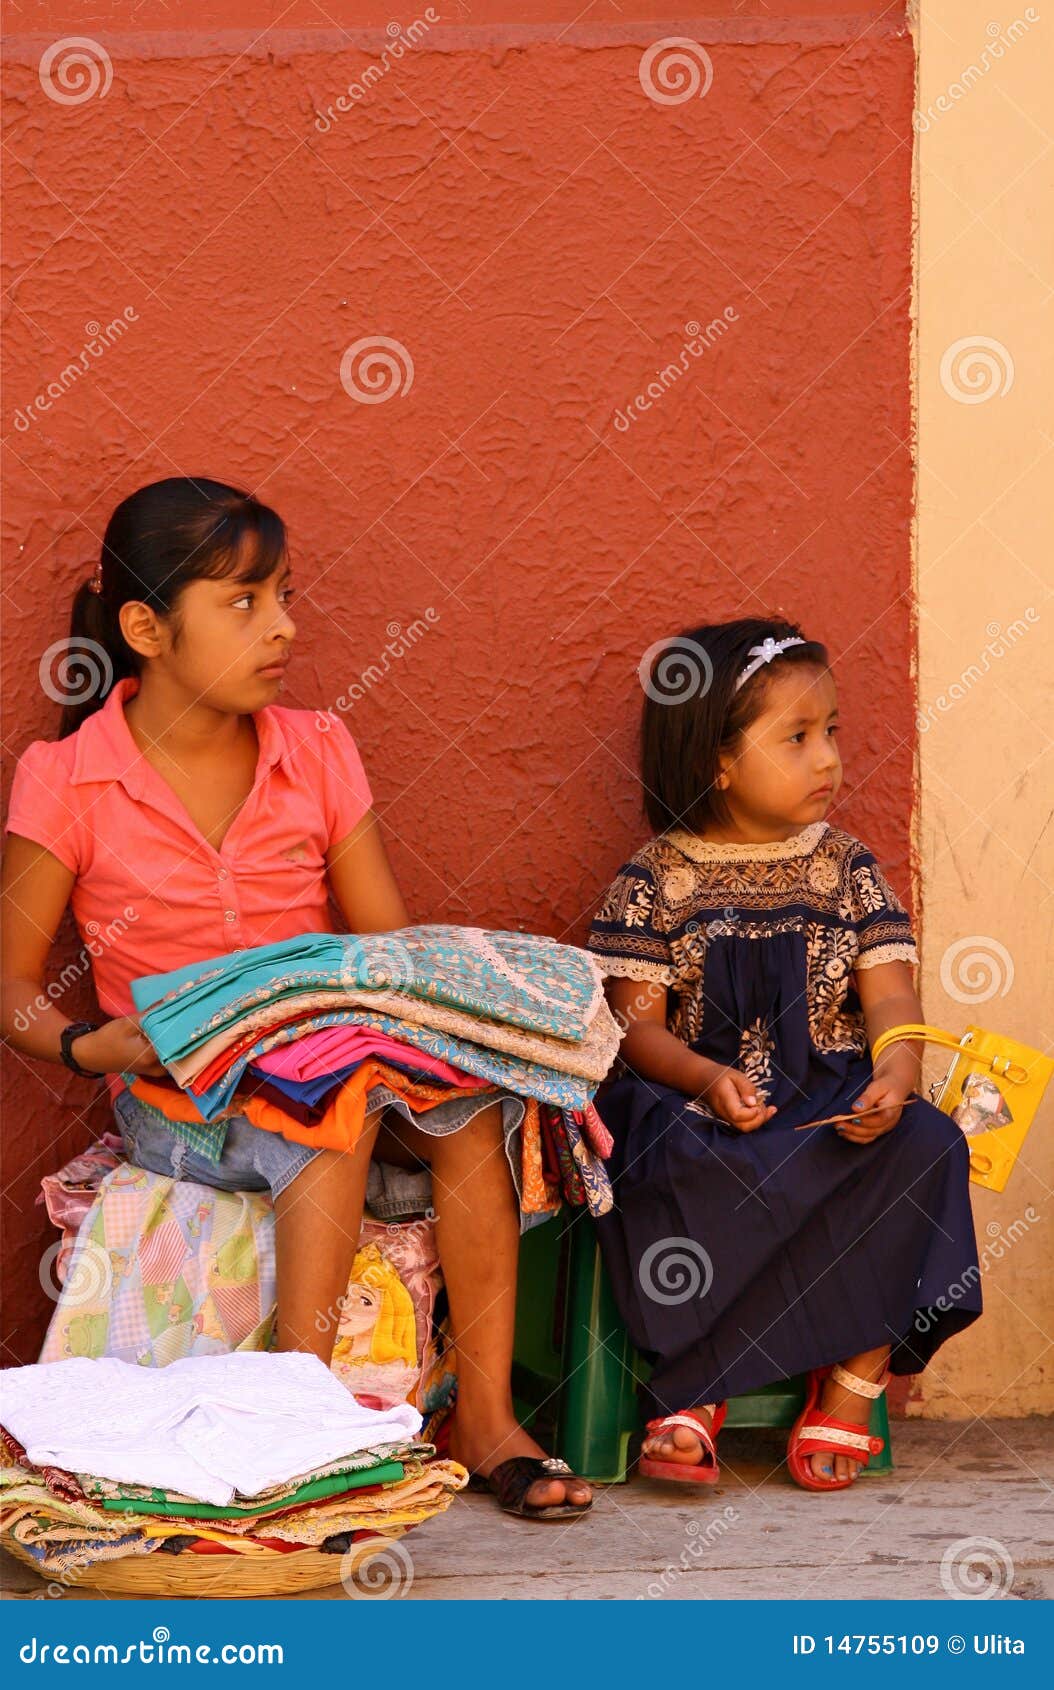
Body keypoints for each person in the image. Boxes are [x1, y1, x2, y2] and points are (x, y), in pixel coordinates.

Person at [2, 475, 591, 1522]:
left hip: (329, 1061)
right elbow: (9, 984)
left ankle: (491, 1418)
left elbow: (385, 951)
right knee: (337, 1109)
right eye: (244, 602)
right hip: (173, 1097)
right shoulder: (68, 777)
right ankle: (294, 1420)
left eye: (283, 595)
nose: (284, 626)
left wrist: (458, 1021)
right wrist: (94, 1045)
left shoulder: (315, 752)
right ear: (146, 628)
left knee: (470, 1111)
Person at [586, 617, 981, 1491]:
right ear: (716, 763)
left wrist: (897, 1074)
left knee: (927, 1145)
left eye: (832, 731)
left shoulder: (847, 869)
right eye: (797, 738)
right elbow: (639, 1029)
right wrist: (707, 1077)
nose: (829, 758)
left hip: (828, 1099)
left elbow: (890, 995)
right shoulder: (654, 881)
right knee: (649, 1148)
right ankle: (697, 1383)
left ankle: (851, 1380)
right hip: (703, 1106)